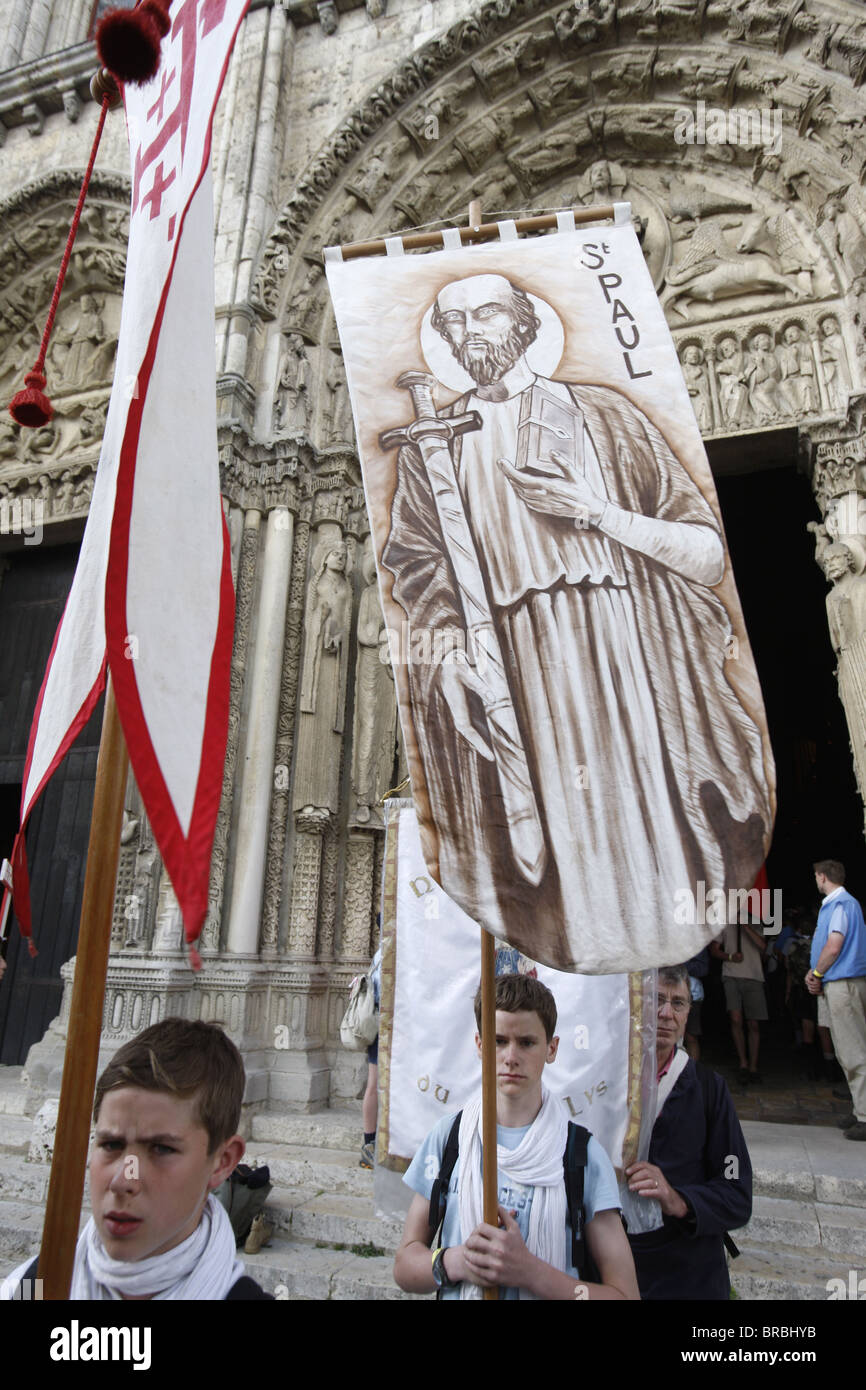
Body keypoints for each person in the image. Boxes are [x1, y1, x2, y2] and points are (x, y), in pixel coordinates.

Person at [382, 272, 770, 973]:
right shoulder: (429, 446)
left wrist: (596, 512)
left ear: (527, 323)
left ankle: (647, 990)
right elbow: (415, 569)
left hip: (627, 649)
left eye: (489, 314)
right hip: (512, 668)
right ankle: (564, 987)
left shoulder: (607, 417)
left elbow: (706, 553)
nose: (471, 332)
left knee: (642, 826)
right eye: (454, 322)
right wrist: (446, 658)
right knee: (551, 852)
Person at [392, 973, 639, 1300]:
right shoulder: (449, 1139)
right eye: (498, 1040)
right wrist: (457, 1261)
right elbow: (405, 1267)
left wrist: (532, 1273)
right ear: (480, 1045)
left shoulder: (581, 1155)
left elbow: (625, 1295)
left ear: (551, 1048)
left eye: (526, 1042)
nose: (511, 1057)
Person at [1, 1018, 272, 1299]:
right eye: (111, 1144)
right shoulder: (36, 1285)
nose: (123, 1180)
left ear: (223, 1161)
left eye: (161, 1149)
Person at [625, 965, 752, 1300]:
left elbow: (736, 1192)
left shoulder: (710, 1091)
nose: (667, 1013)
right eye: (657, 1000)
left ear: (688, 1013)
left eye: (678, 1003)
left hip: (688, 1274)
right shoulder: (607, 1085)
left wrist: (678, 1199)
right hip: (617, 1269)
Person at [806, 860, 866, 1141]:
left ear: (822, 877)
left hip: (843, 985)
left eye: (816, 876)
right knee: (847, 1049)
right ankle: (859, 1110)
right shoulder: (840, 904)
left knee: (854, 1051)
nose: (815, 881)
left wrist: (817, 972)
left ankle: (865, 1116)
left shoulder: (840, 905)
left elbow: (834, 945)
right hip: (838, 983)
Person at [710, 916, 767, 1084]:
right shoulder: (725, 922)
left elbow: (763, 947)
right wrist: (729, 957)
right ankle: (743, 1062)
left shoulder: (757, 922)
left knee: (753, 1023)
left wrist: (746, 927)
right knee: (735, 1019)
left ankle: (753, 1066)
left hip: (754, 976)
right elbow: (714, 950)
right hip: (731, 975)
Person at [360, 943, 383, 1170]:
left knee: (373, 1084)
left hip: (376, 1025)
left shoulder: (379, 953)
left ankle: (369, 1143)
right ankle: (371, 1144)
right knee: (376, 1085)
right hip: (386, 1025)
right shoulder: (391, 952)